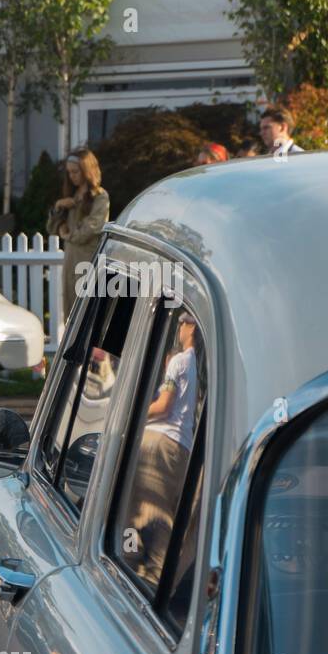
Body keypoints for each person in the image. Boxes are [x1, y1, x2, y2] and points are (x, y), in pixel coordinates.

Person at [125, 314, 200, 583]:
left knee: (143, 515)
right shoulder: (200, 368)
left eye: (182, 323)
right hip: (182, 451)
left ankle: (139, 580)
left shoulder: (179, 361)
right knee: (167, 520)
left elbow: (164, 405)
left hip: (159, 446)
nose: (179, 328)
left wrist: (133, 415)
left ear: (191, 328)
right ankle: (156, 580)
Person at [47, 148, 110, 324]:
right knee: (70, 312)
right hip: (70, 261)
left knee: (87, 313)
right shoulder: (71, 196)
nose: (72, 176)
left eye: (76, 172)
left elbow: (90, 229)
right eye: (69, 173)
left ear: (86, 170)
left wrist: (67, 235)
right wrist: (59, 206)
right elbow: (51, 228)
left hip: (87, 261)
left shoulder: (100, 197)